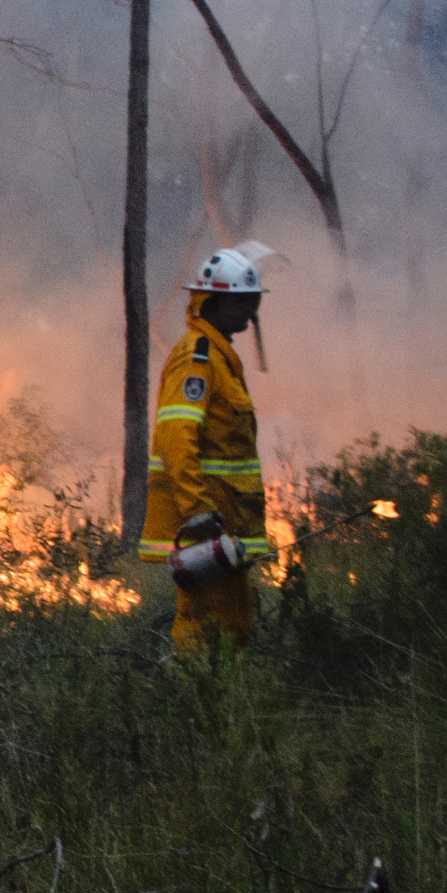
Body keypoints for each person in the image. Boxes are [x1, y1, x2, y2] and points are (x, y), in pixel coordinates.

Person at [139, 242, 274, 655]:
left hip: (226, 523)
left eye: (253, 302)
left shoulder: (220, 358)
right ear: (212, 303)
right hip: (208, 524)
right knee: (202, 630)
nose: (251, 314)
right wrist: (197, 511)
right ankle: (193, 708)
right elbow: (176, 437)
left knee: (232, 628)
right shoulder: (196, 359)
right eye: (242, 303)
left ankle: (224, 709)